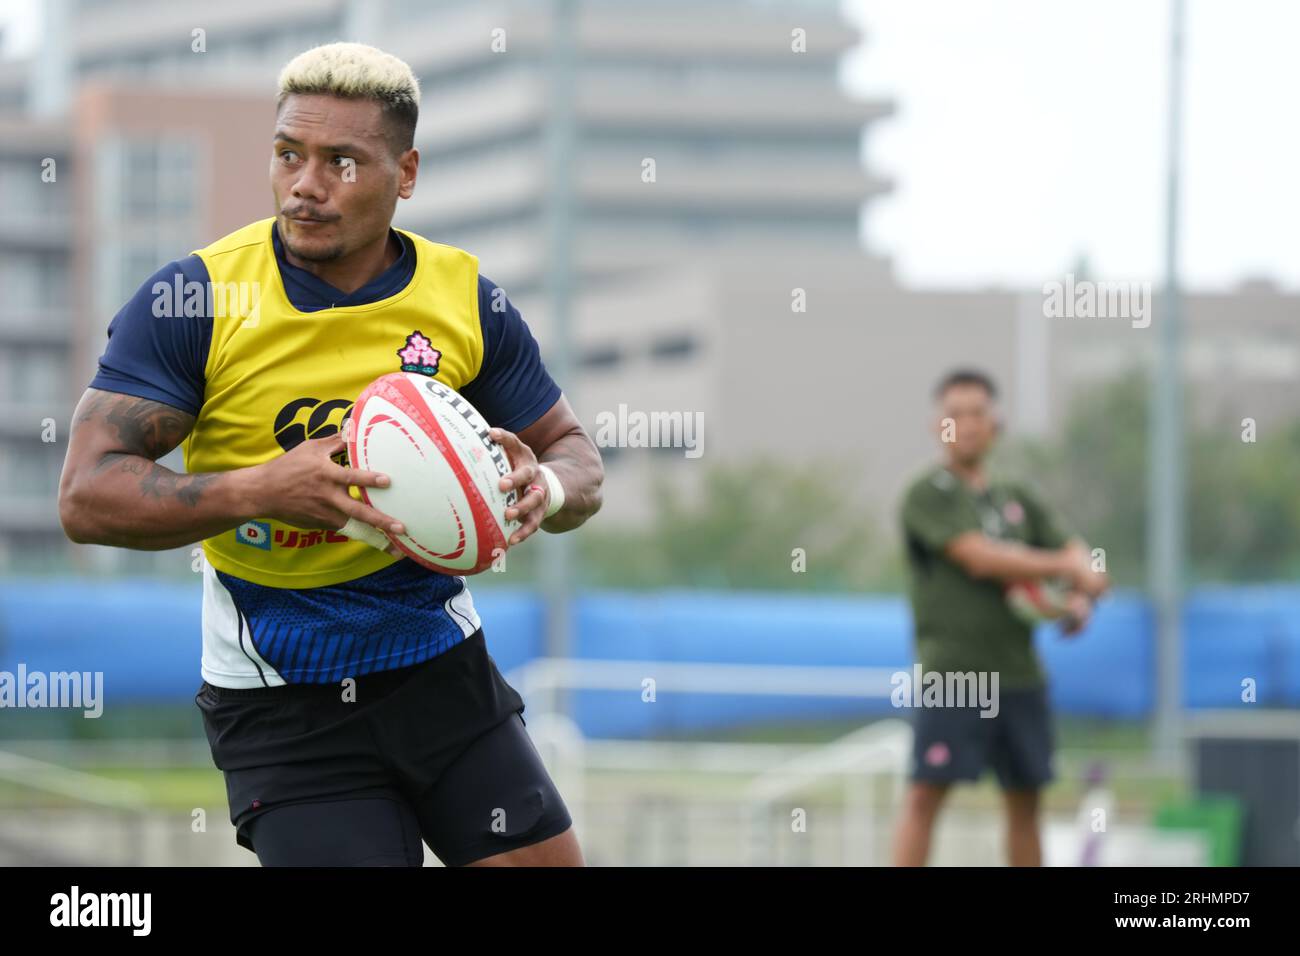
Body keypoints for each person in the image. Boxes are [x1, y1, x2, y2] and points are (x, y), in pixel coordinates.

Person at [57, 42, 603, 867]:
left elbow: (577, 455)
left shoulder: (465, 298)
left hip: (438, 665)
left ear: (405, 173)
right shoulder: (196, 300)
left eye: (341, 162)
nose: (306, 185)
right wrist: (263, 489)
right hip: (282, 696)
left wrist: (546, 490)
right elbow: (86, 497)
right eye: (288, 156)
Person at [892, 369, 1108, 866]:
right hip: (956, 671)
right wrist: (1066, 567)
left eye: (977, 414)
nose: (966, 425)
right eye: (955, 415)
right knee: (927, 793)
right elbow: (981, 558)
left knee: (1026, 798)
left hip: (1019, 672)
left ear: (997, 424)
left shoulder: (1017, 496)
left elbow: (1081, 556)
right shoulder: (929, 493)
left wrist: (1082, 596)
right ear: (937, 426)